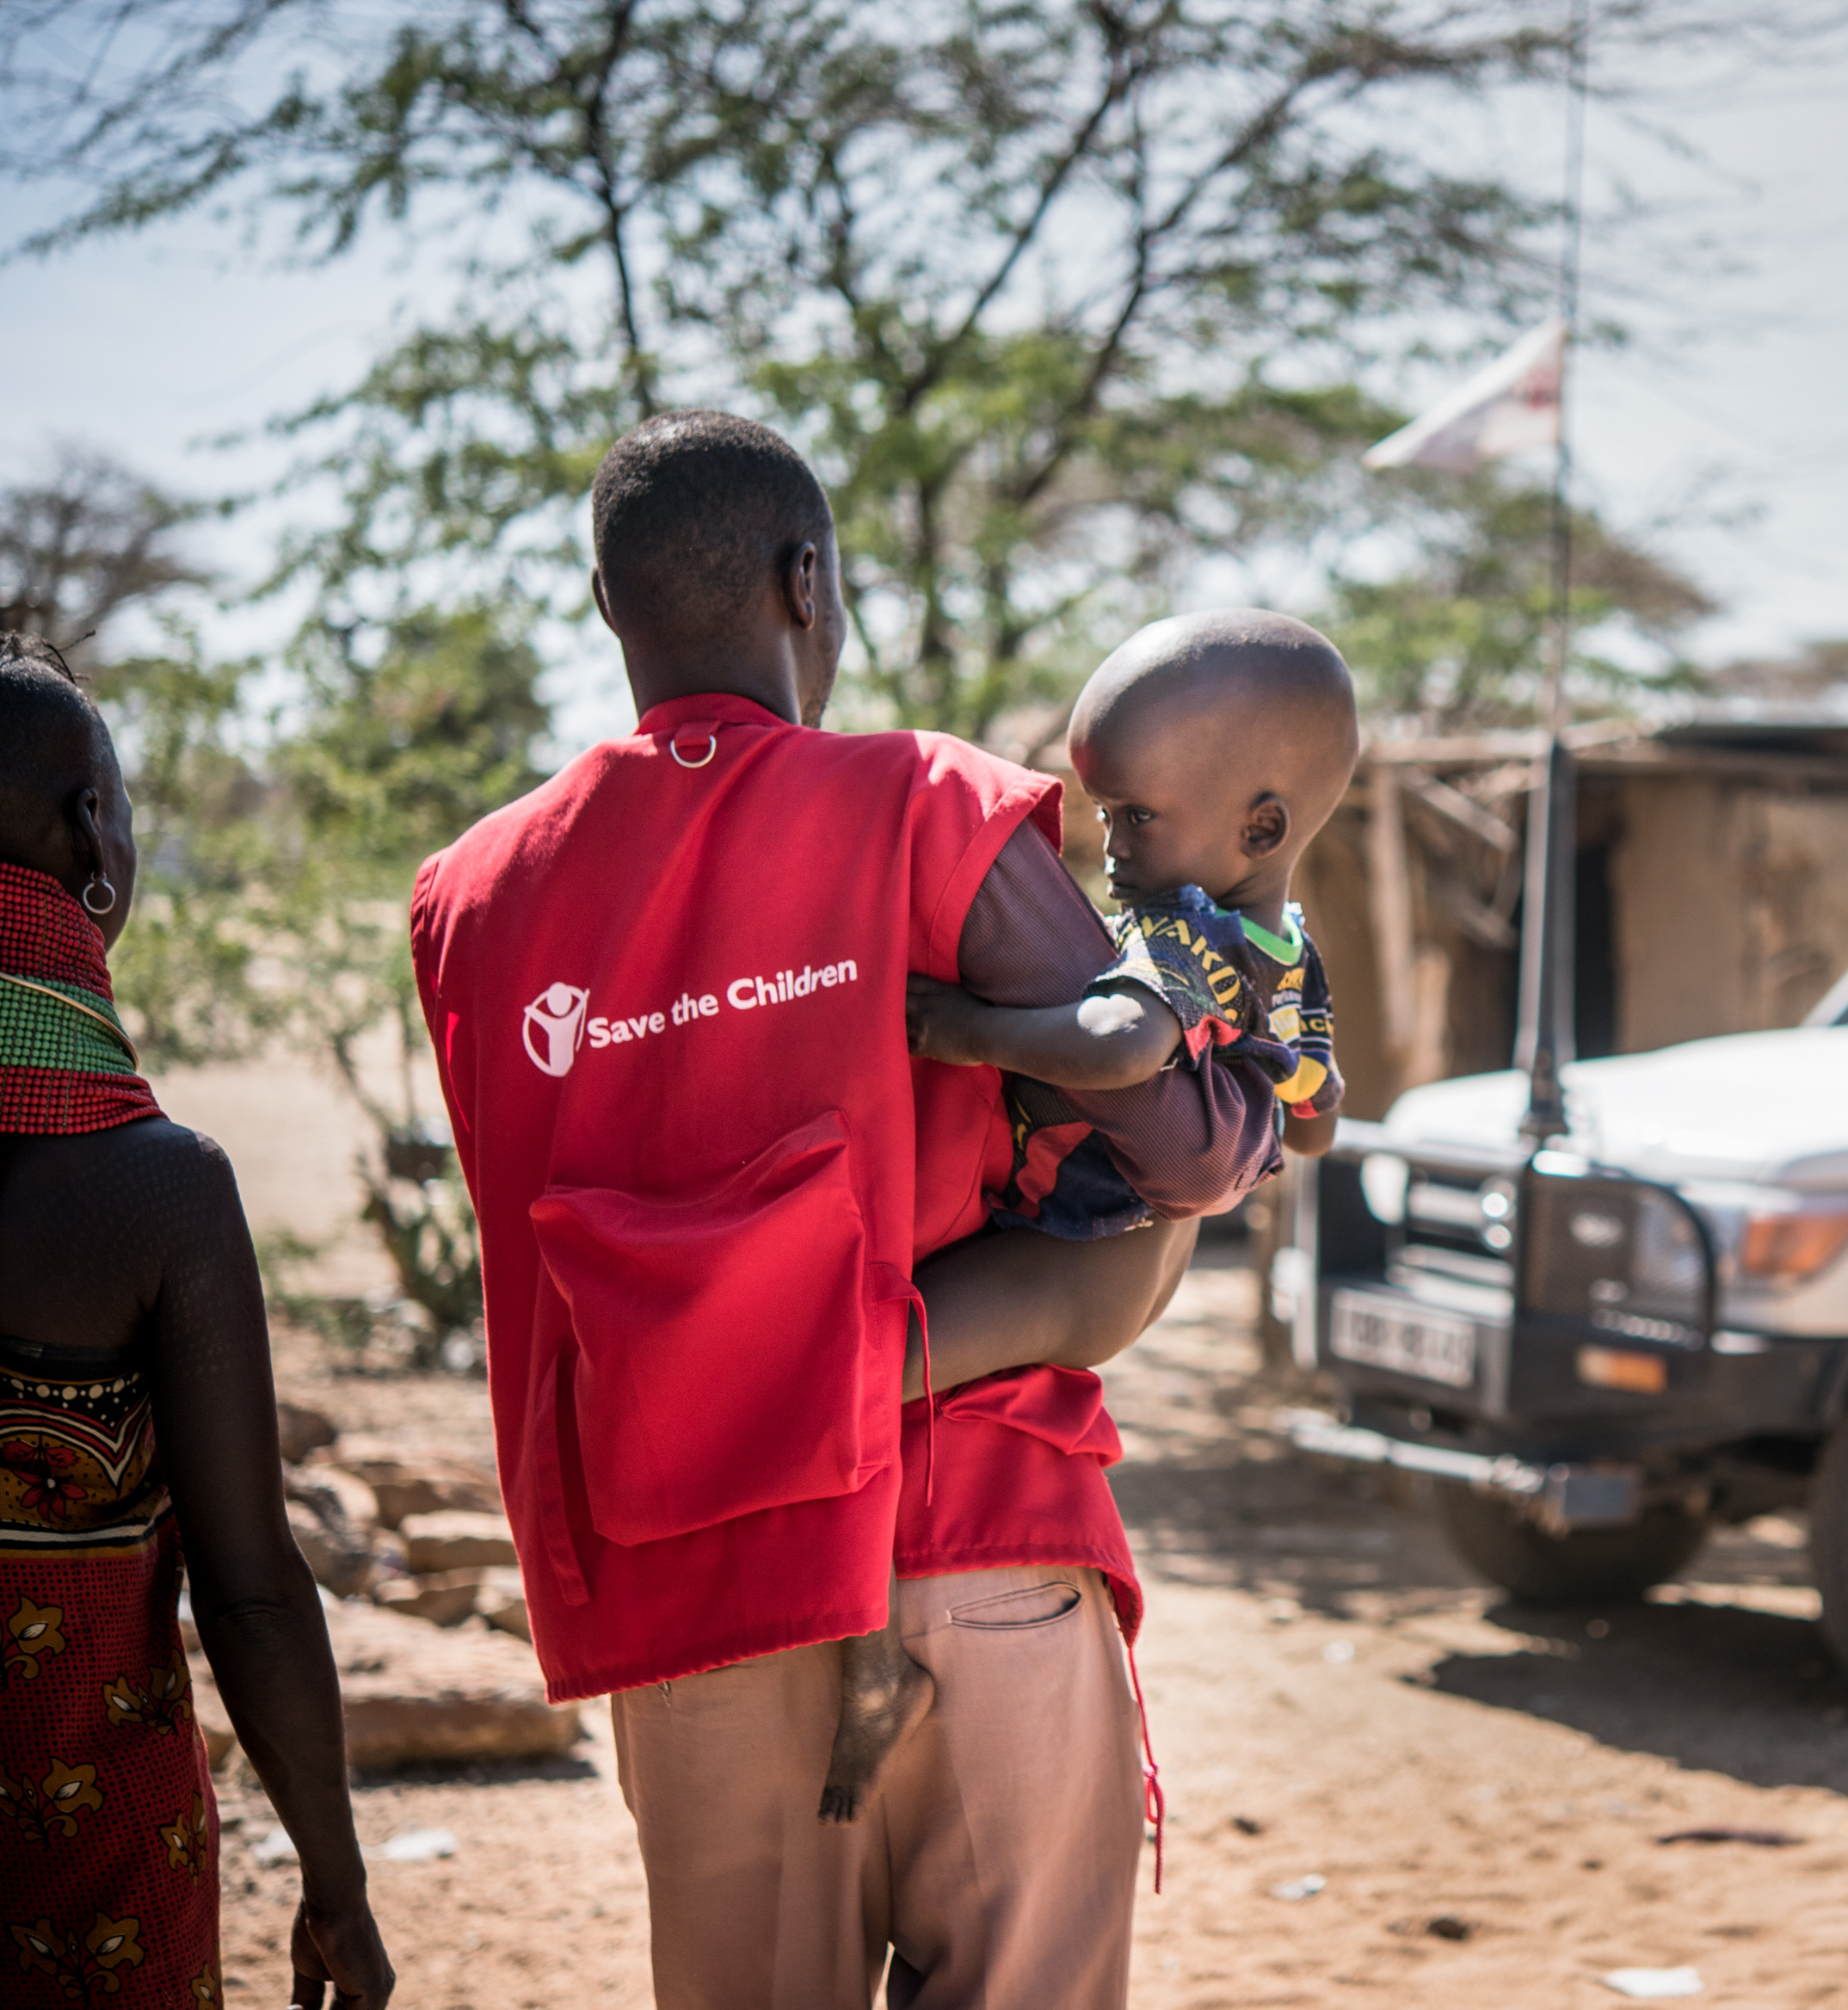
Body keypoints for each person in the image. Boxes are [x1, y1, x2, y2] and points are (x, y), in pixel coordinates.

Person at [406, 411, 1279, 2010]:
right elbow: (1176, 1146)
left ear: (612, 610)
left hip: (699, 1583)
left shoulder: (470, 904)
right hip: (978, 1532)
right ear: (811, 582)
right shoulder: (923, 805)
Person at [823, 609, 1357, 1820]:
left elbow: (1115, 1043)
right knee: (877, 1370)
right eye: (1105, 813)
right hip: (1119, 1253)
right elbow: (1322, 1111)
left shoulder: (1186, 935)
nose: (1108, 843)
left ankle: (865, 1657)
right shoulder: (1292, 949)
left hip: (1079, 1257)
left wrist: (955, 1028)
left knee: (859, 1368)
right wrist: (1245, 1108)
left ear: (1259, 825)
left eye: (1133, 818)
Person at [0, 638, 393, 2010]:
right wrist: (337, 1893)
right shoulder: (161, 1189)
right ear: (94, 844)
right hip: (99, 1893)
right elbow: (251, 1589)